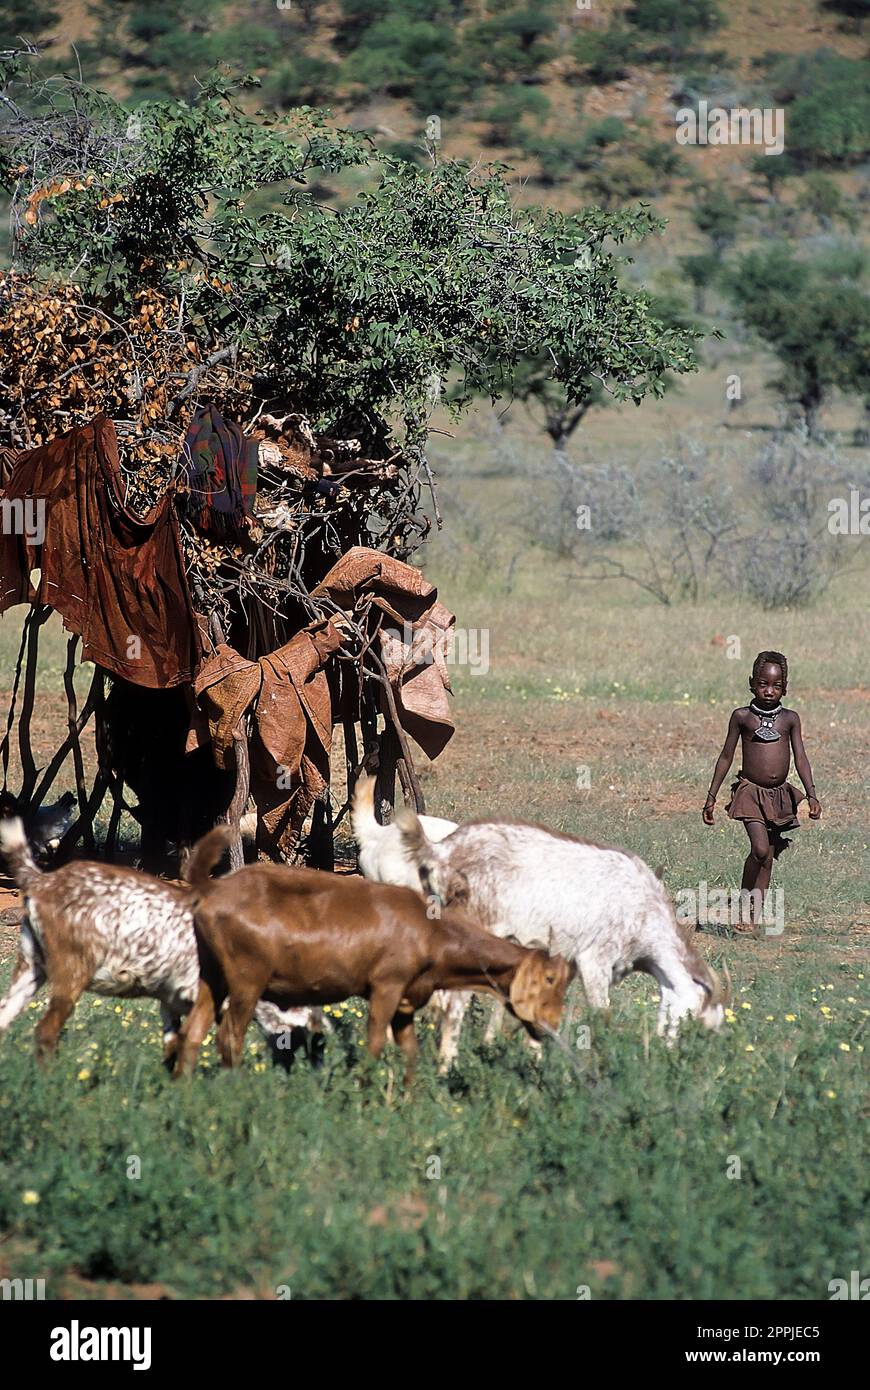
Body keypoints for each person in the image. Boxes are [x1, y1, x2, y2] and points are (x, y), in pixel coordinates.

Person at [703, 650, 821, 928]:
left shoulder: (790, 719)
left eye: (776, 686)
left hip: (779, 795)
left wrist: (812, 794)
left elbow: (801, 757)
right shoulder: (741, 717)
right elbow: (726, 756)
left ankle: (750, 919)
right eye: (763, 684)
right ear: (751, 683)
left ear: (785, 688)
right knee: (759, 849)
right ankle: (744, 904)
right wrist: (711, 797)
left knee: (767, 857)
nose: (769, 691)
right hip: (751, 793)